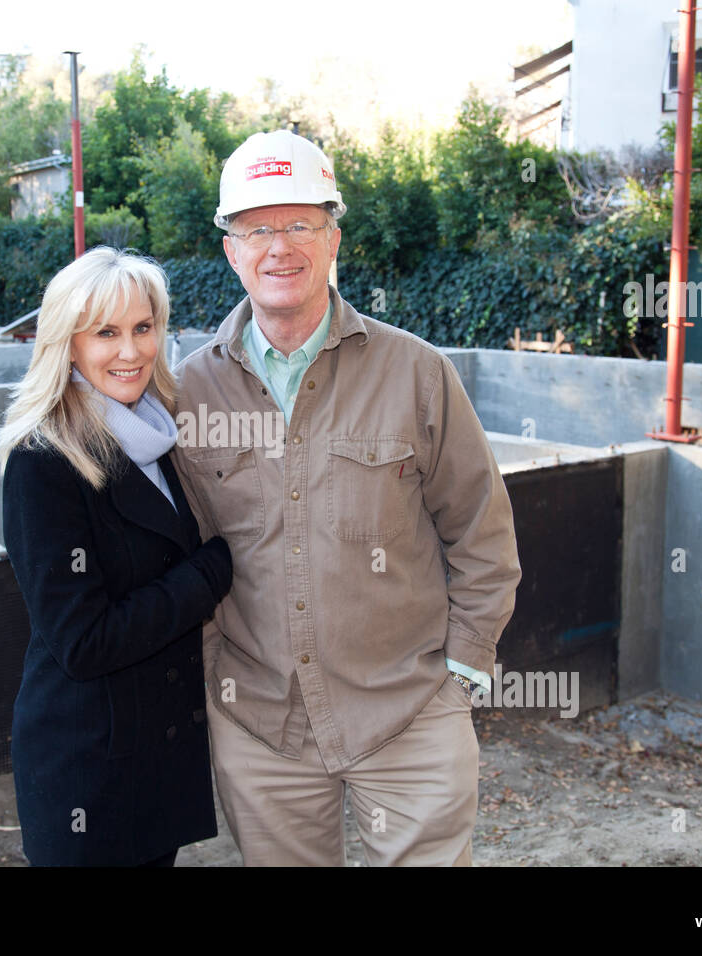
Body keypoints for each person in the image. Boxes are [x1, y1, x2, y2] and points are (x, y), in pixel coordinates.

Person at [172, 130, 522, 866]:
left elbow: (482, 536)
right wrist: (212, 676)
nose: (280, 247)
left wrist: (462, 671)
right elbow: (177, 546)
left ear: (335, 238)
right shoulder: (189, 390)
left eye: (300, 224)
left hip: (410, 714)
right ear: (230, 249)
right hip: (261, 729)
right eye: (257, 228)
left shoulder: (417, 374)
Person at [0, 247, 232, 866]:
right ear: (67, 344)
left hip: (153, 754)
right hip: (88, 771)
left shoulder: (153, 432)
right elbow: (83, 641)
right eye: (106, 333)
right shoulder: (41, 460)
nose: (131, 351)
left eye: (143, 328)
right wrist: (209, 574)